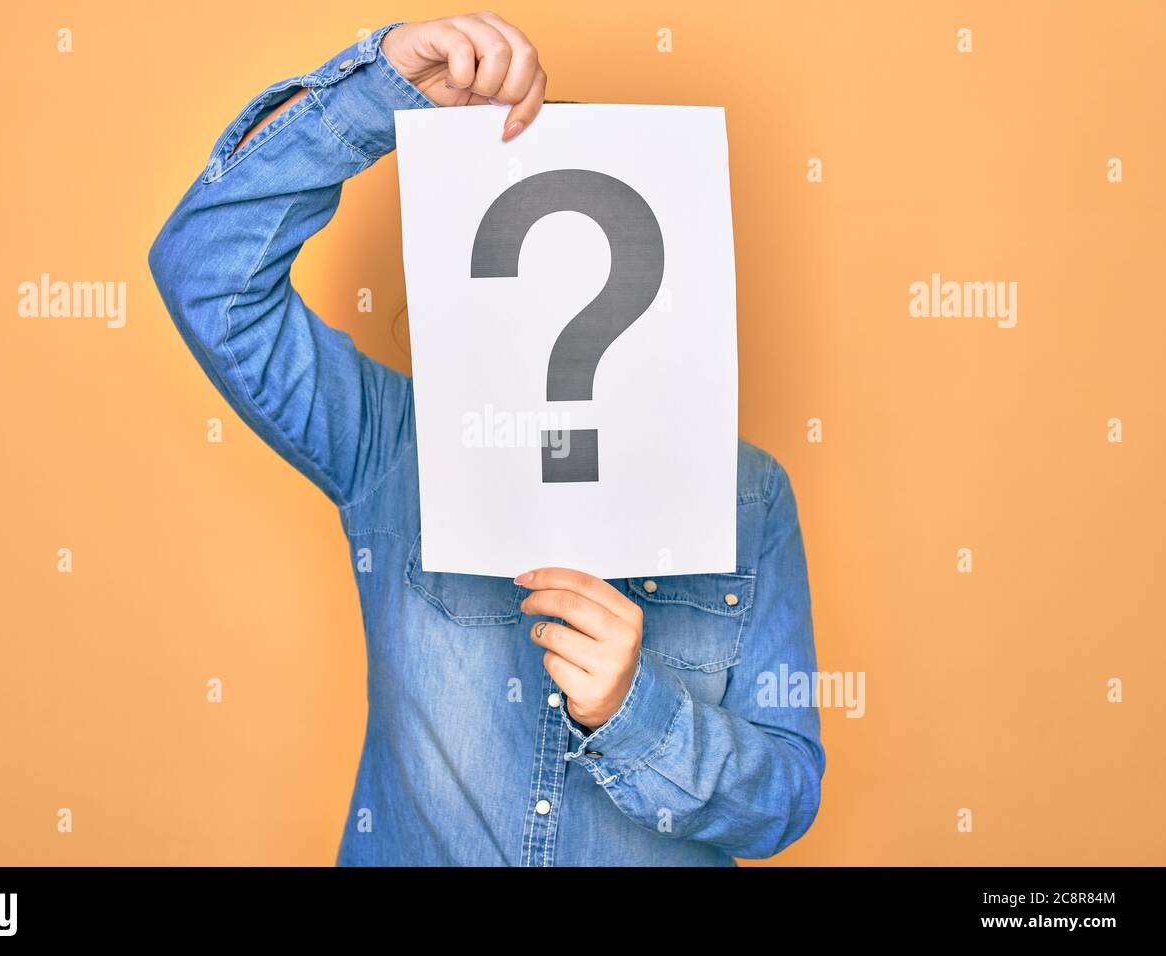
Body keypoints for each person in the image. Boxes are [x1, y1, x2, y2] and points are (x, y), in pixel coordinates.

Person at [149, 11, 824, 866]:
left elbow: (785, 801)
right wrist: (377, 92)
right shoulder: (394, 444)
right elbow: (207, 274)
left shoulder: (750, 496)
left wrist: (637, 711)